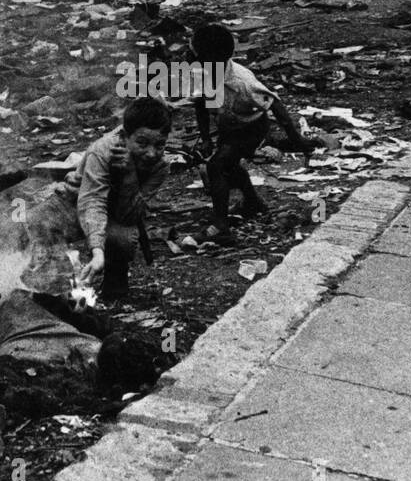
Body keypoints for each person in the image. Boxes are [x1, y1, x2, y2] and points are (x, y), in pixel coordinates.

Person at [192, 22, 315, 247]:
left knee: (216, 166)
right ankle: (253, 203)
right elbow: (200, 104)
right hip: (229, 126)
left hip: (252, 127)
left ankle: (221, 227)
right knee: (229, 166)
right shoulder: (204, 73)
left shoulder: (243, 83)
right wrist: (206, 138)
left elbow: (275, 105)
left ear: (215, 58)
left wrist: (296, 139)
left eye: (200, 57)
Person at [69, 97, 171, 302]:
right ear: (125, 136)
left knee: (121, 239)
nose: (152, 153)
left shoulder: (161, 166)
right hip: (75, 199)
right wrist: (98, 251)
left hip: (117, 212)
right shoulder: (103, 151)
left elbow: (129, 216)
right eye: (142, 143)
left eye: (159, 145)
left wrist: (130, 175)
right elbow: (92, 201)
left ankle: (115, 279)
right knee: (40, 226)